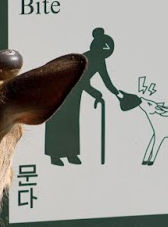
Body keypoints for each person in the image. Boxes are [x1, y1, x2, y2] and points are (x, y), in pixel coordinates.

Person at [43, 27, 133, 165]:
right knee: (58, 121)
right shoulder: (85, 59)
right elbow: (83, 81)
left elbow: (107, 81)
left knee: (71, 123)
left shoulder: (99, 60)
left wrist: (118, 94)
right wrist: (96, 93)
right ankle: (55, 156)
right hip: (60, 89)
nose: (107, 53)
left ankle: (71, 154)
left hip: (74, 93)